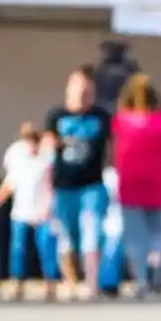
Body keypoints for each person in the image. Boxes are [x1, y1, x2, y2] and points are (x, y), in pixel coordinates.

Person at [111, 73, 161, 298]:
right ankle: (157, 279)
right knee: (157, 236)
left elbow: (114, 154)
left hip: (130, 184)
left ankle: (141, 280)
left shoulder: (120, 120)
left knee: (136, 237)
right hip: (158, 184)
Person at [44, 66, 111, 300]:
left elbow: (116, 147)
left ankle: (92, 283)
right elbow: (47, 149)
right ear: (69, 89)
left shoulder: (101, 117)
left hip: (92, 185)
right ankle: (70, 281)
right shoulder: (56, 116)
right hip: (64, 187)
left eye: (87, 90)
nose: (83, 94)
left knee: (92, 233)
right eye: (78, 88)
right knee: (67, 236)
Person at [0, 123, 60, 301]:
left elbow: (51, 185)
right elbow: (9, 184)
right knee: (18, 249)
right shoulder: (17, 158)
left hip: (44, 213)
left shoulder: (47, 158)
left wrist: (47, 208)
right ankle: (17, 282)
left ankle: (50, 284)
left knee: (46, 248)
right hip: (21, 212)